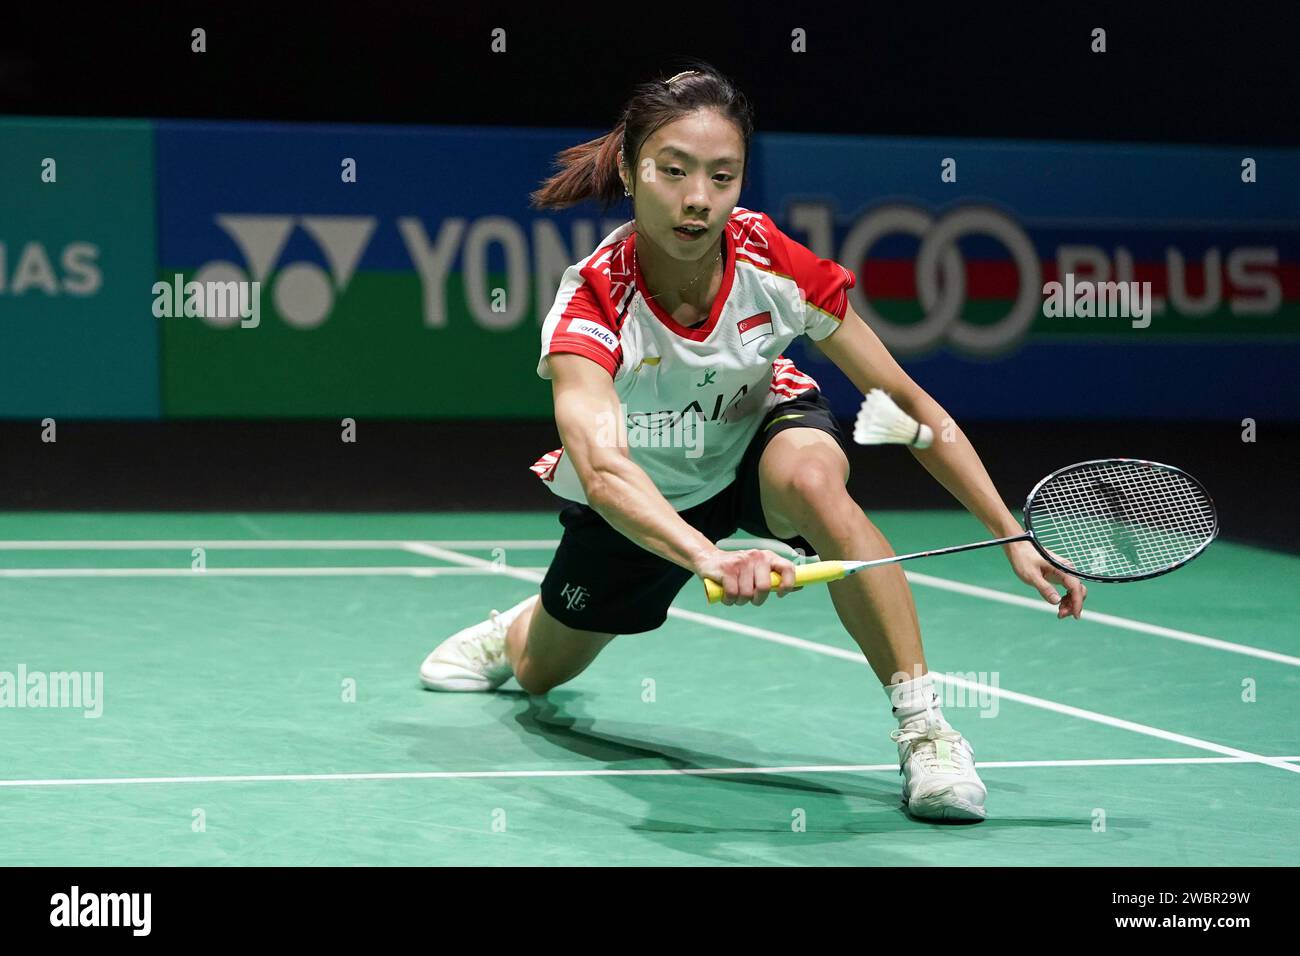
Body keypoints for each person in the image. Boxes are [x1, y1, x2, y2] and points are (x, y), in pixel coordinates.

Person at [420, 63, 1087, 822]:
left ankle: (925, 728)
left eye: (722, 175)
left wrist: (1008, 531)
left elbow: (904, 402)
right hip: (648, 495)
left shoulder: (770, 261)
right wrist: (709, 557)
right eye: (673, 172)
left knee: (816, 486)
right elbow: (604, 469)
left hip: (756, 438)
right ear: (635, 172)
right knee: (542, 676)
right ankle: (516, 629)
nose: (698, 197)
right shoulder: (595, 300)